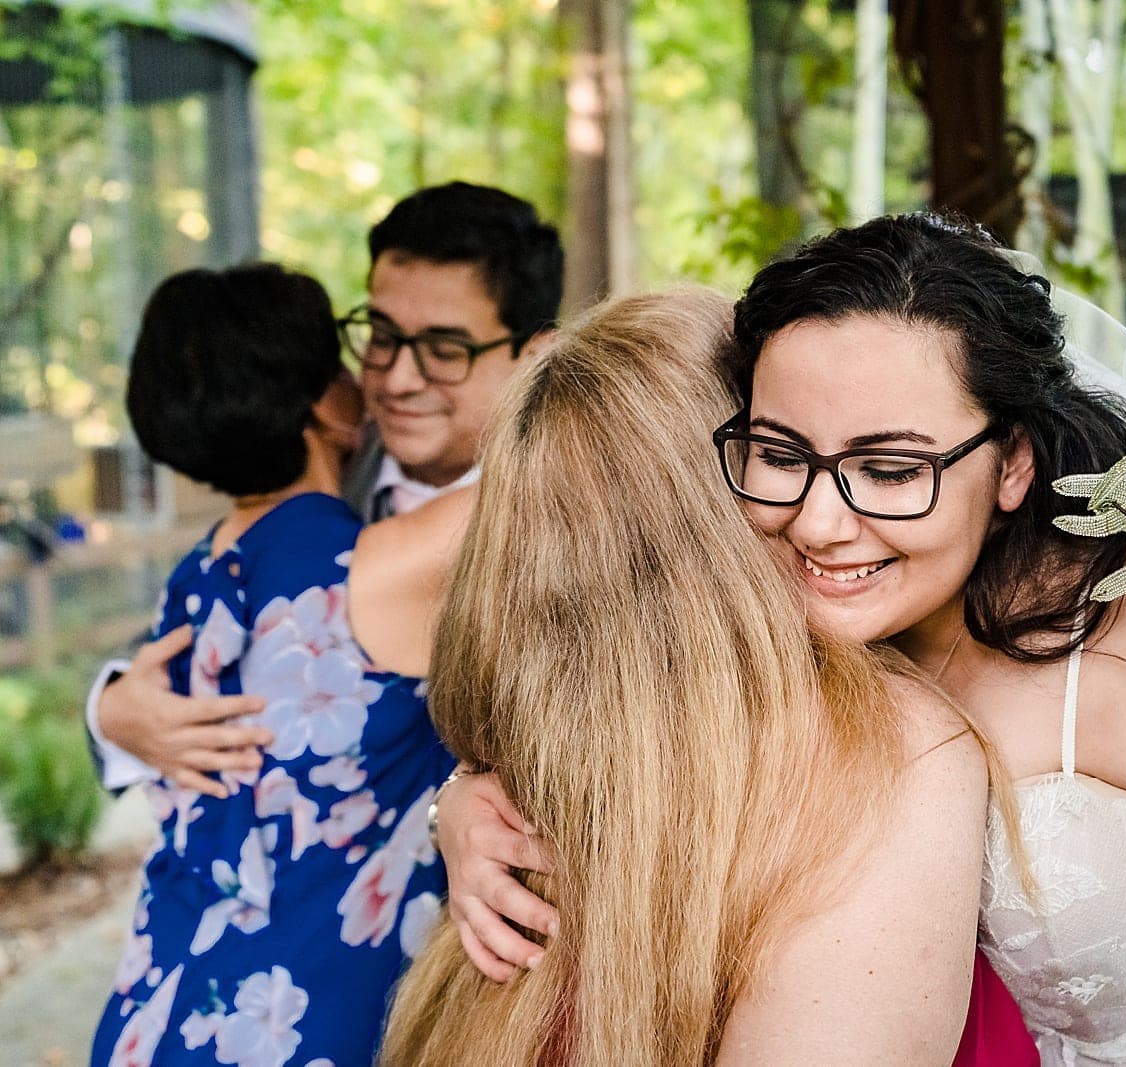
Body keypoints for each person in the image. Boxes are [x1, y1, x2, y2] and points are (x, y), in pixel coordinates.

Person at [438, 214, 1126, 1065]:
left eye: (891, 467)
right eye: (782, 452)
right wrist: (477, 797)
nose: (821, 521)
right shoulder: (794, 631)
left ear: (1010, 461)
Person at [380, 289, 991, 1065]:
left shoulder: (549, 737)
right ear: (716, 506)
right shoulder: (887, 745)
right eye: (782, 455)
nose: (825, 511)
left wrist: (456, 799)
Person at [88, 264, 470, 1065]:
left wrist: (104, 708)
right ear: (324, 401)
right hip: (299, 1015)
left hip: (153, 1004)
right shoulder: (378, 568)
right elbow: (584, 466)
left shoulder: (193, 581)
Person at [85, 181, 562, 799]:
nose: (396, 377)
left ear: (536, 356)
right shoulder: (308, 476)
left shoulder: (573, 519)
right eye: (383, 335)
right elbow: (184, 638)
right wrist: (112, 713)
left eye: (446, 350)